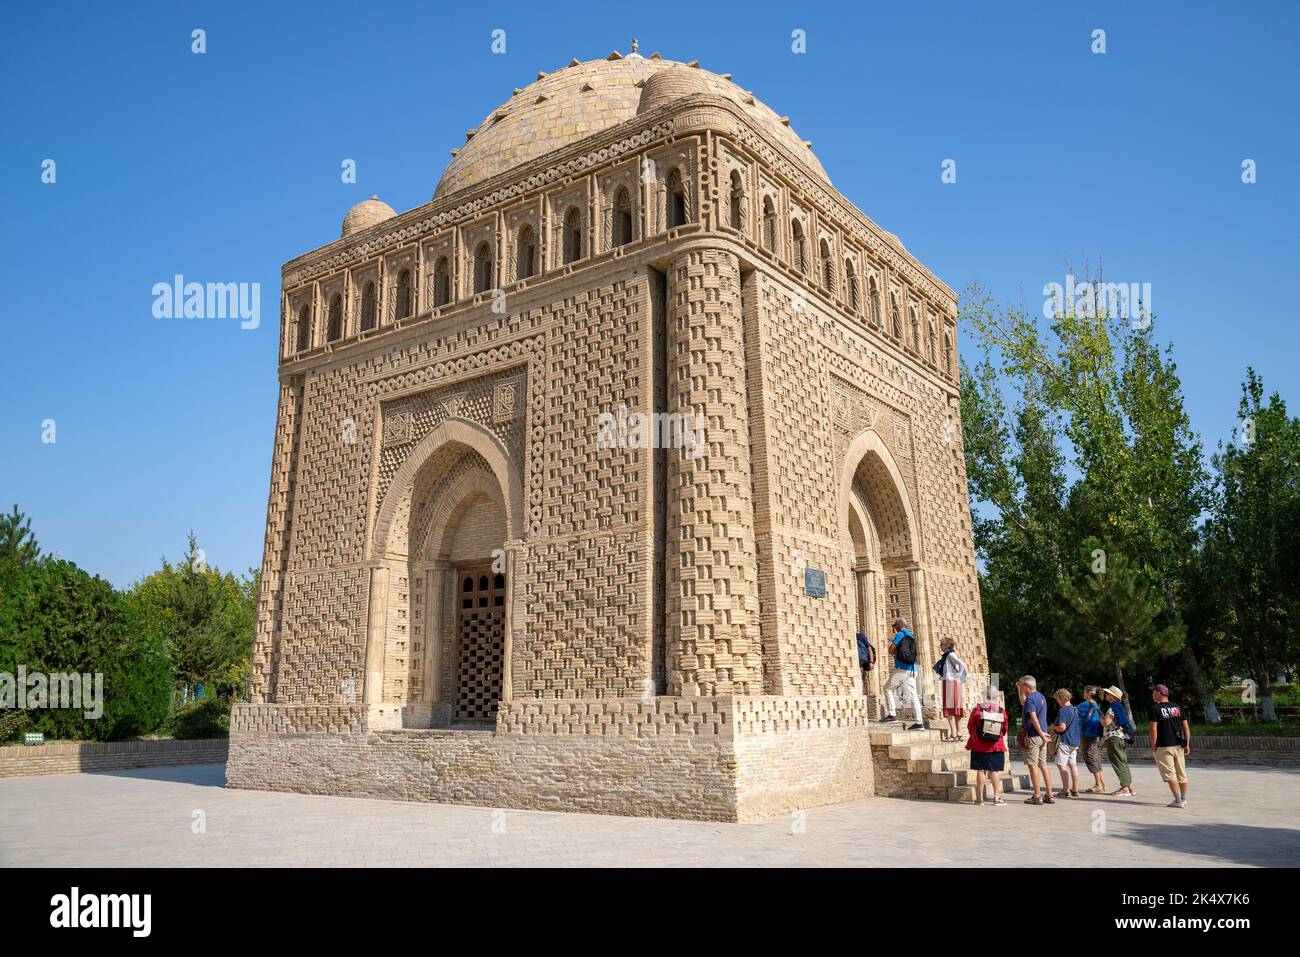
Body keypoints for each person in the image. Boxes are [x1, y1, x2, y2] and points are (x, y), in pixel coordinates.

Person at [878, 617, 926, 730]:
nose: (894, 627)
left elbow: (891, 651)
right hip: (912, 668)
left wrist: (892, 646)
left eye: (894, 625)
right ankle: (919, 723)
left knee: (887, 688)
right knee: (913, 696)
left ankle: (892, 714)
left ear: (899, 625)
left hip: (902, 669)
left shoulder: (900, 634)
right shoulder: (911, 635)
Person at [1149, 684, 1191, 808]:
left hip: (1164, 745)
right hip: (1179, 745)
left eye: (1153, 692)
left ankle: (1178, 800)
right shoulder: (1178, 707)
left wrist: (1153, 744)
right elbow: (1186, 727)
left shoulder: (1155, 709)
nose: (1152, 695)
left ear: (1158, 693)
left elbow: (1153, 729)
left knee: (1170, 774)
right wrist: (1187, 744)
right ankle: (1183, 798)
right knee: (1181, 773)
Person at [966, 685, 1008, 806]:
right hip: (996, 745)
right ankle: (996, 797)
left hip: (979, 745)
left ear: (984, 696)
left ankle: (979, 798)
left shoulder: (978, 709)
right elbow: (1004, 729)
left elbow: (970, 726)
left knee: (980, 770)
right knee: (994, 771)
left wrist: (977, 735)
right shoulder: (1001, 710)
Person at [1016, 675, 1054, 805]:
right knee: (1043, 765)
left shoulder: (1030, 700)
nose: (1019, 686)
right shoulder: (1041, 697)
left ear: (1026, 686)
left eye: (1021, 684)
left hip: (1033, 736)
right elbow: (1023, 702)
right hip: (1042, 735)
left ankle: (1037, 795)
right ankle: (1049, 795)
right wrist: (1044, 734)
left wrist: (1040, 734)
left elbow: (1034, 719)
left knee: (1032, 766)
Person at [1099, 686, 1136, 796]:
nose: (1106, 695)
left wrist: (1101, 718)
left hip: (1113, 737)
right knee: (1123, 761)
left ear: (1112, 696)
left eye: (1108, 693)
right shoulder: (1119, 707)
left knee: (1117, 762)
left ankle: (1124, 788)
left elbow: (1106, 722)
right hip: (1121, 736)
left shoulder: (1112, 708)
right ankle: (1129, 787)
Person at [933, 638, 969, 741]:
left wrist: (956, 676)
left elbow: (962, 664)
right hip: (955, 683)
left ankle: (953, 733)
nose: (941, 646)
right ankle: (958, 732)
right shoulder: (950, 655)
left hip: (950, 682)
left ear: (947, 646)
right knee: (956, 708)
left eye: (942, 644)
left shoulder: (949, 655)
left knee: (949, 708)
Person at [1049, 689, 1081, 797]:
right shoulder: (1075, 709)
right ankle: (1075, 789)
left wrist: (1054, 727)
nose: (1057, 702)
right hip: (1075, 741)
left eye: (1057, 699)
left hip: (1065, 741)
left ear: (1061, 698)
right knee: (1073, 765)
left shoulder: (1063, 711)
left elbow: (1062, 727)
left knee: (1061, 766)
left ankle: (1065, 789)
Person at [1076, 686, 1107, 793]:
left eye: (1084, 692)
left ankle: (1098, 784)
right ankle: (1101, 783)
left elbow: (1071, 711)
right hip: (1095, 735)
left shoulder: (1085, 704)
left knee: (1090, 757)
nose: (1083, 694)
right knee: (1095, 757)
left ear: (1089, 694)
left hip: (1087, 735)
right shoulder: (1096, 705)